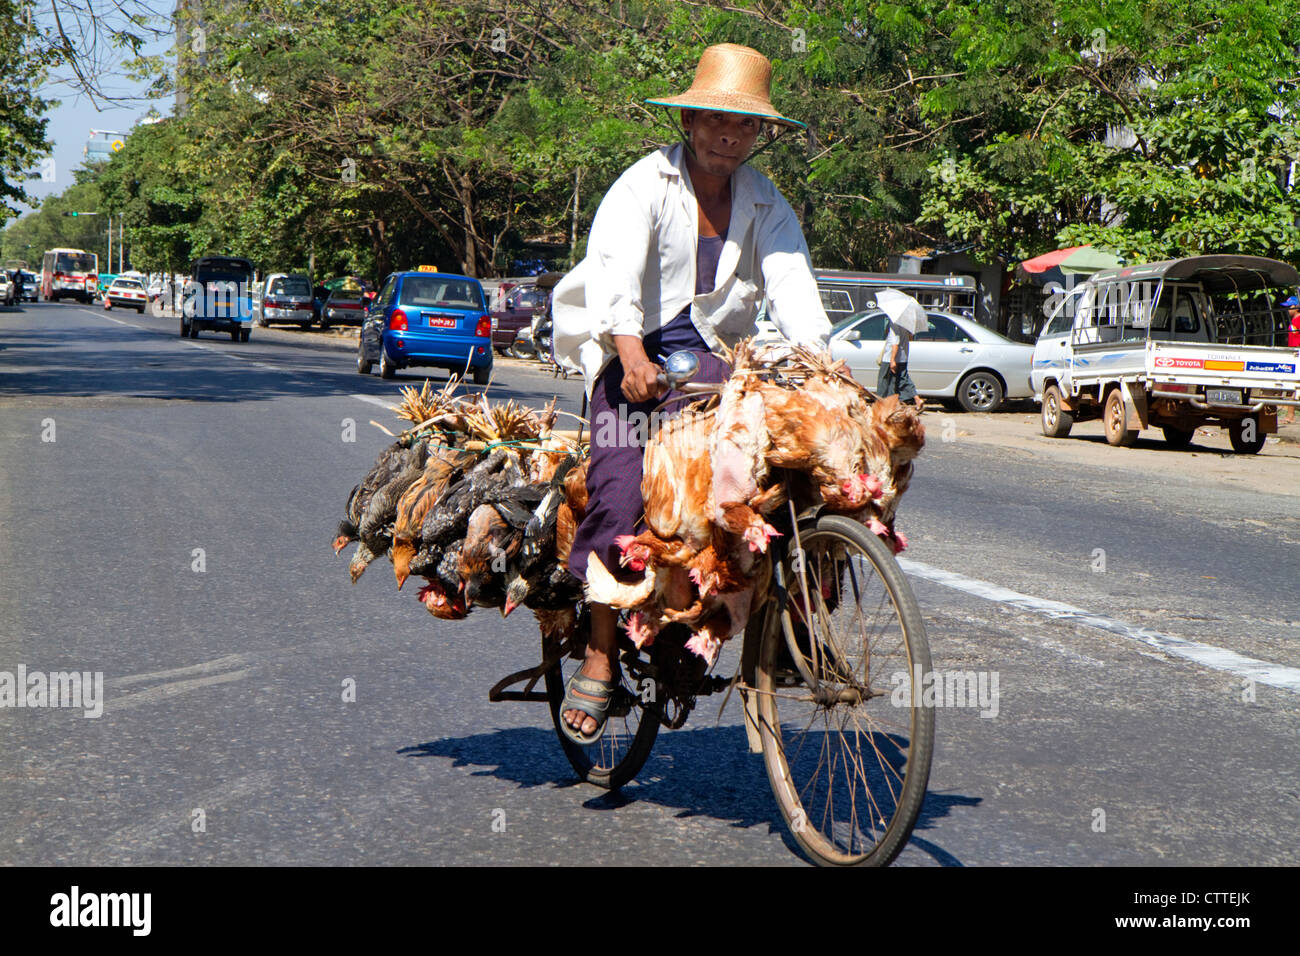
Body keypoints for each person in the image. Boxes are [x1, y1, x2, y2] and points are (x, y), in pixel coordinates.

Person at [551, 43, 831, 744]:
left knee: (787, 484)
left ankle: (791, 629)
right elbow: (616, 269)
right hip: (636, 359)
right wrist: (629, 350)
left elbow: (793, 283)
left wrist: (823, 364)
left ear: (759, 135)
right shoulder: (644, 184)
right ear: (690, 122)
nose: (726, 137)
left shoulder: (767, 203)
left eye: (742, 127)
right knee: (620, 492)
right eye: (713, 122)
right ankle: (601, 649)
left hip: (714, 369)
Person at [877, 317, 924, 411]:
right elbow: (910, 338)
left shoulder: (894, 322)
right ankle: (916, 399)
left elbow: (895, 343)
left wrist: (892, 360)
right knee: (902, 379)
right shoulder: (906, 321)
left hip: (890, 357)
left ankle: (881, 404)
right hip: (903, 357)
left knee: (884, 381)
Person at [1282, 295, 1299, 425]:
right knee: (1292, 387)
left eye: (1289, 307)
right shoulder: (1293, 321)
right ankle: (1290, 414)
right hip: (1292, 356)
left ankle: (1290, 415)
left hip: (1298, 355)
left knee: (1294, 387)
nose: (1287, 309)